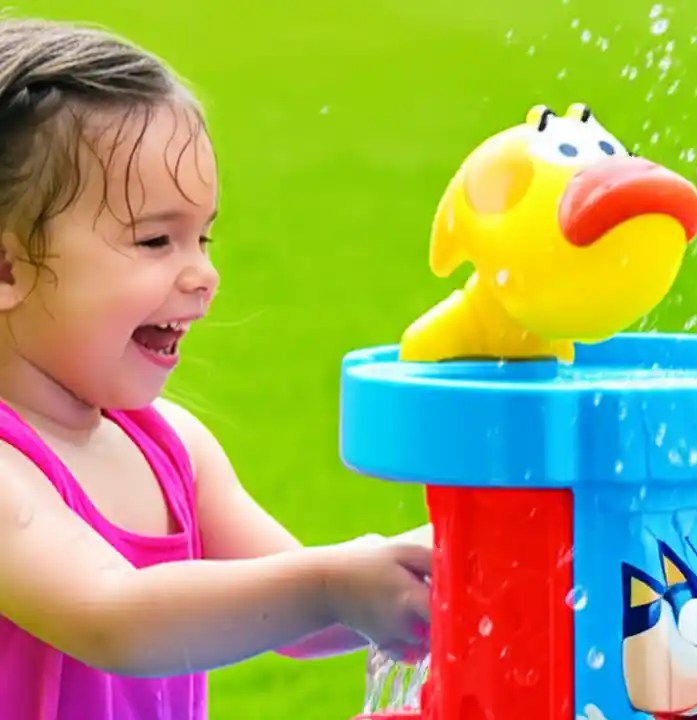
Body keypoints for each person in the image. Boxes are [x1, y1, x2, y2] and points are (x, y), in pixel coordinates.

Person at [0, 18, 433, 720]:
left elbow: (305, 615)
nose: (204, 274)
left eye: (201, 236)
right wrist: (332, 583)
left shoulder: (171, 446)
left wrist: (439, 557)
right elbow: (115, 618)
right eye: (155, 239)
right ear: (8, 268)